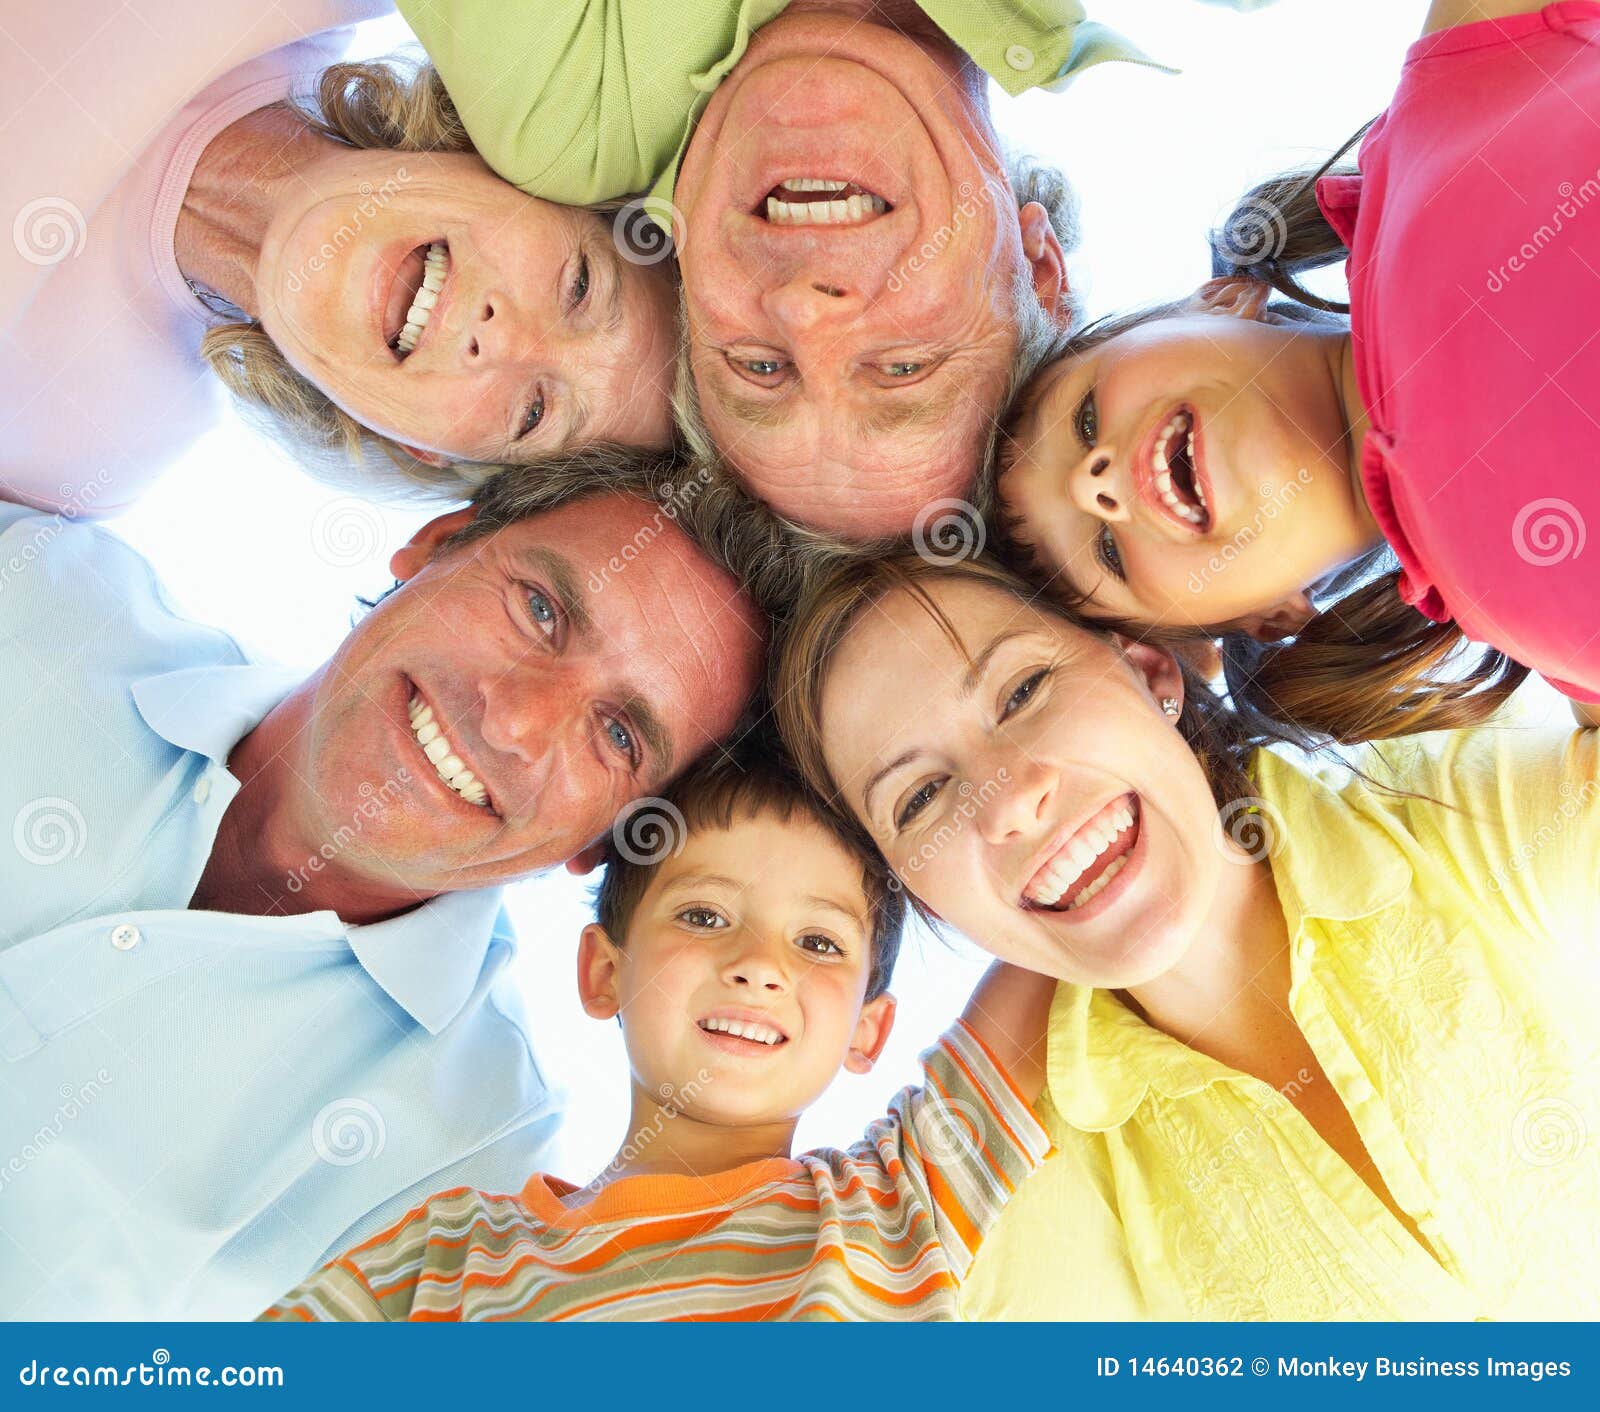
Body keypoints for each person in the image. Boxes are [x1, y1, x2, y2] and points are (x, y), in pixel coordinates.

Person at [0, 450, 764, 1319]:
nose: (514, 721)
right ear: (435, 544)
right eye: (541, 611)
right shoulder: (35, 595)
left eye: (619, 737)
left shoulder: (469, 1178)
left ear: (602, 845)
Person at [772, 551, 1600, 1319]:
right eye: (920, 798)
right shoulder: (1029, 1189)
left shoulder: (1462, 820)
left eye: (1023, 691)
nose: (1008, 801)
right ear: (925, 898)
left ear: (1148, 669)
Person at [395, 0, 1268, 538]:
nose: (806, 309)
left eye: (760, 367)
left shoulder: (567, 116)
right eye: (901, 367)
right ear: (1039, 271)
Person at [262, 731, 1055, 1320]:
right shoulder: (447, 1258)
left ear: (866, 1033)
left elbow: (1069, 915)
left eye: (818, 942)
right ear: (605, 973)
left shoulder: (897, 1202)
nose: (759, 965)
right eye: (705, 916)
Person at [993, 0, 1600, 742]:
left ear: (1216, 299)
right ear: (1270, 617)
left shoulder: (1456, 83)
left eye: (1084, 417)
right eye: (1107, 552)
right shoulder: (1545, 635)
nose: (1095, 481)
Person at [0, 1, 678, 518]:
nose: (501, 336)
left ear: (422, 446)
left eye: (532, 413)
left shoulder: (84, 452)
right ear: (544, 177)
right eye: (581, 286)